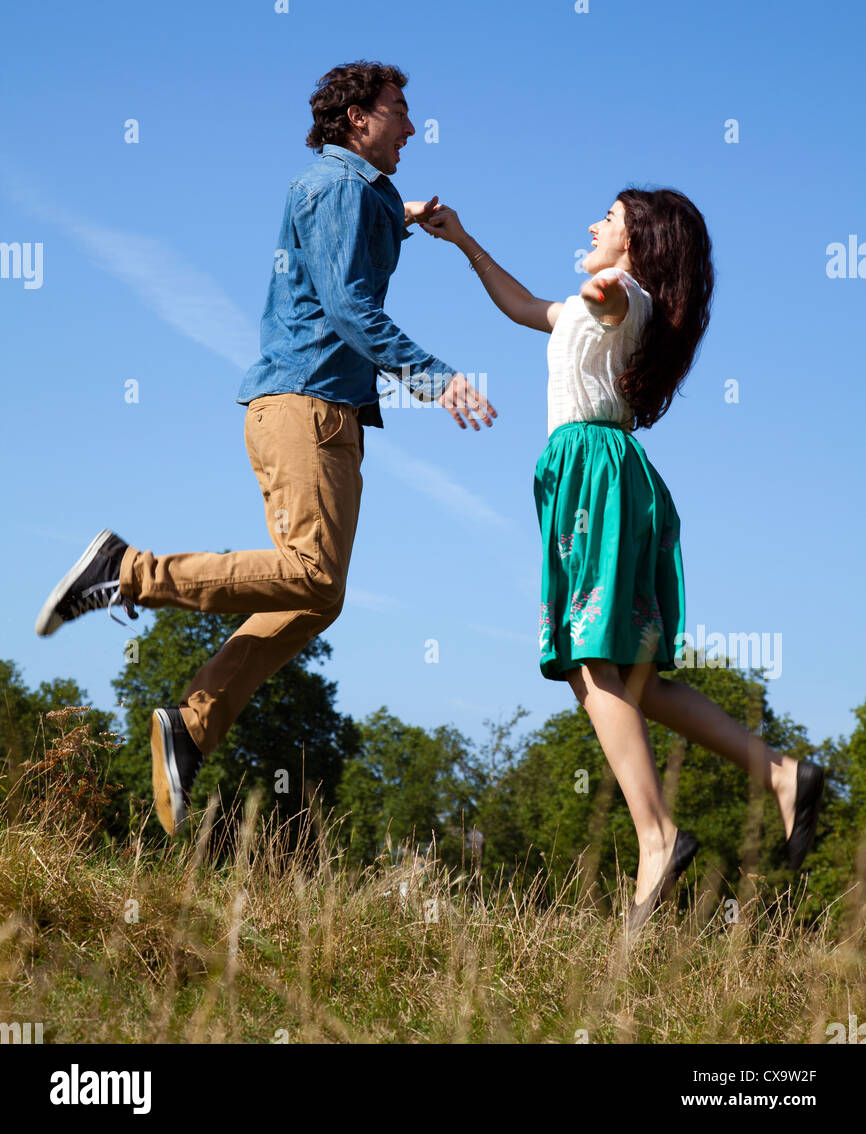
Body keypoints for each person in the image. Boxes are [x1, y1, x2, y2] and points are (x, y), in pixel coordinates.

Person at [34, 60, 496, 837]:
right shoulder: (335, 188)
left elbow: (346, 246)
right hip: (306, 407)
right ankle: (127, 572)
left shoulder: (357, 192)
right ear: (357, 120)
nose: (412, 127)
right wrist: (434, 377)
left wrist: (403, 213)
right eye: (398, 112)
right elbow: (348, 304)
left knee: (317, 596)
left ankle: (190, 725)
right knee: (313, 576)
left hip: (329, 412)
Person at [419, 189, 825, 934]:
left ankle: (657, 838)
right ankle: (778, 771)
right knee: (633, 674)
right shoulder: (600, 305)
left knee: (584, 659)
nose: (591, 225)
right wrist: (465, 244)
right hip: (610, 474)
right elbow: (527, 309)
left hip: (592, 475)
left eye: (607, 218)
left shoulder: (623, 295)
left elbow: (600, 299)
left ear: (637, 241)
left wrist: (600, 286)